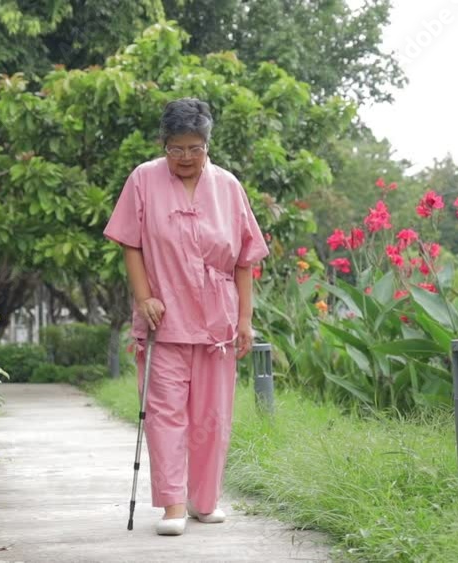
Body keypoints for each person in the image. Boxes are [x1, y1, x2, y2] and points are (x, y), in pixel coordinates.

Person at [103, 97, 269, 536]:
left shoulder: (229, 187)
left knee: (212, 417)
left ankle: (204, 501)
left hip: (218, 320)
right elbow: (130, 242)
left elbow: (245, 260)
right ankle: (173, 506)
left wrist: (246, 320)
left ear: (208, 144)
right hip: (164, 322)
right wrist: (143, 298)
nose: (185, 158)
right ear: (163, 145)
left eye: (195, 148)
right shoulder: (143, 180)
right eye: (176, 148)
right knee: (165, 415)